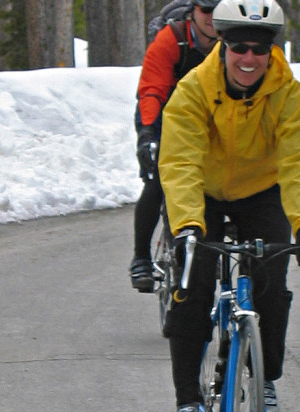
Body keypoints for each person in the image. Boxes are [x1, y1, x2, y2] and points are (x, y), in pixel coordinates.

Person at [158, 0, 300, 412]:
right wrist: (188, 226)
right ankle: (188, 403)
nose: (249, 58)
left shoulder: (286, 91)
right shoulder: (194, 88)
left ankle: (265, 378)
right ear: (223, 46)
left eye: (259, 49)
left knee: (271, 276)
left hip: (261, 190)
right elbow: (180, 162)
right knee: (192, 284)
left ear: (271, 51)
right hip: (204, 192)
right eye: (239, 48)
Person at [130, 0, 221, 292]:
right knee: (159, 178)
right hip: (164, 114)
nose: (212, 17)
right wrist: (147, 136)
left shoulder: (234, 41)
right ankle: (141, 257)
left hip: (211, 117)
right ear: (193, 11)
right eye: (206, 10)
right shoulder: (172, 38)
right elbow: (152, 90)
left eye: (218, 10)